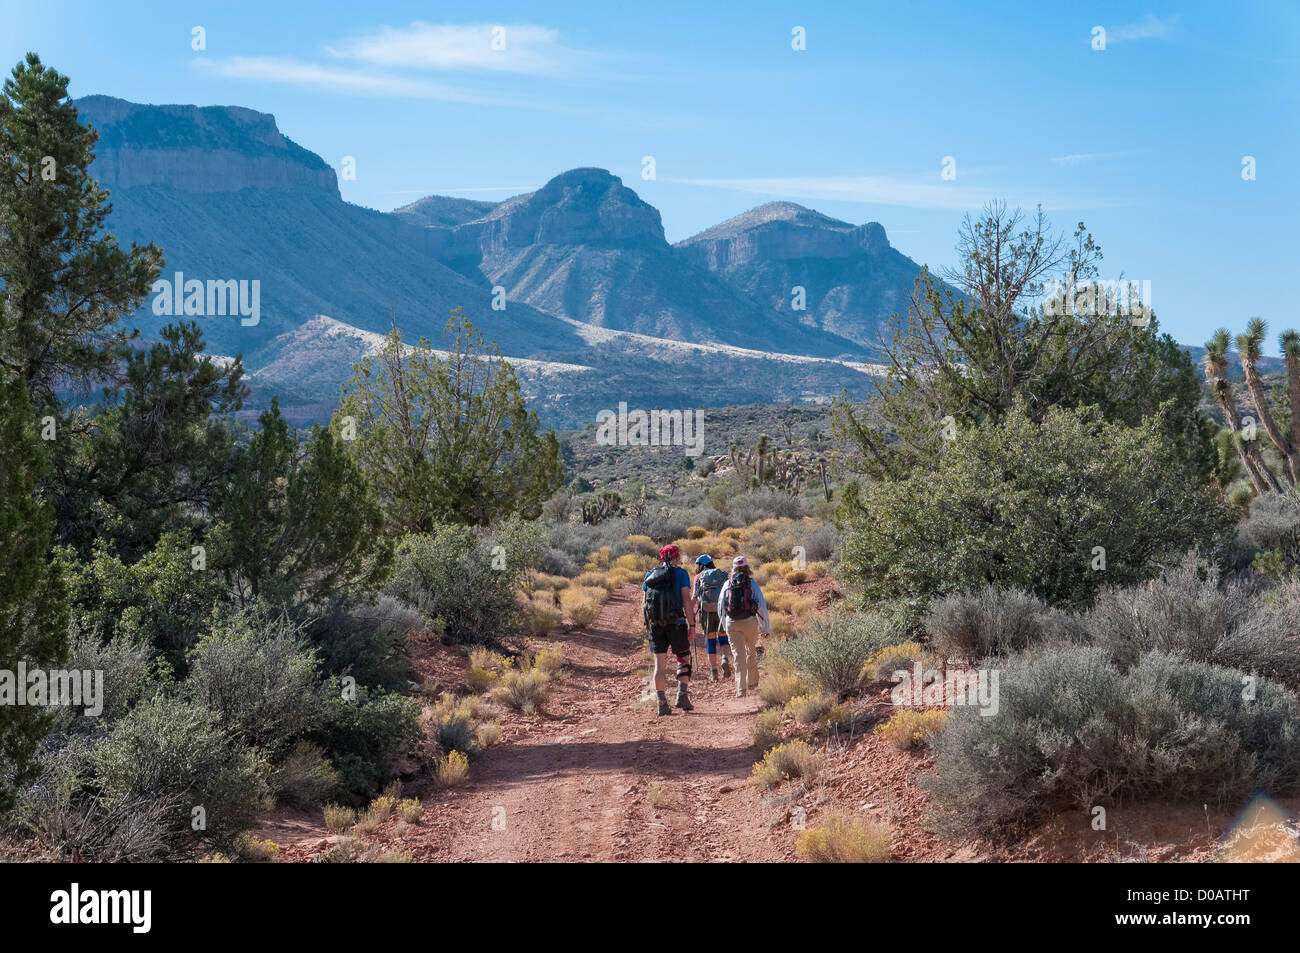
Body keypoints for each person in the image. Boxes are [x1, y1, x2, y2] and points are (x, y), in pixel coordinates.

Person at [642, 544, 696, 716]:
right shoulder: (680, 573)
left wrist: (648, 624)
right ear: (677, 557)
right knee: (683, 657)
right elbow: (686, 600)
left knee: (660, 665)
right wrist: (692, 624)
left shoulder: (650, 575)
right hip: (676, 624)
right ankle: (682, 694)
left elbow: (644, 604)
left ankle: (662, 702)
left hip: (656, 625)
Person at [715, 555, 770, 697]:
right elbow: (762, 607)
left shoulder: (727, 584)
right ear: (747, 568)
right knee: (750, 651)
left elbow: (720, 606)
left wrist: (724, 623)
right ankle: (752, 682)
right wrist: (765, 628)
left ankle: (741, 689)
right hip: (750, 622)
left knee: (738, 655)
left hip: (732, 623)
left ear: (733, 568)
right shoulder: (752, 583)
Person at [692, 554, 733, 681]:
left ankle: (713, 671)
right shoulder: (720, 575)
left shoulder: (698, 577)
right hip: (722, 611)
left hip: (706, 612)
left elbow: (694, 597)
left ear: (701, 565)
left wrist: (690, 614)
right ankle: (725, 657)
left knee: (710, 640)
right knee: (723, 637)